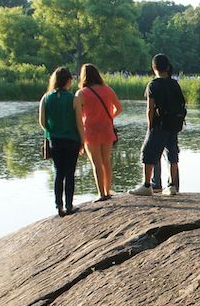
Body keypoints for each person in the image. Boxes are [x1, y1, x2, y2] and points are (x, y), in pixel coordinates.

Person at [130, 54, 186, 196]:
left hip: (159, 124)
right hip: (173, 125)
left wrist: (150, 126)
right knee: (172, 154)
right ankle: (172, 185)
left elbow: (150, 109)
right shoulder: (175, 84)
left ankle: (147, 185)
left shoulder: (153, 85)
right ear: (167, 67)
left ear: (153, 68)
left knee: (148, 153)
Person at [75, 64, 122, 201]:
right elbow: (119, 108)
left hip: (90, 131)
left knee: (96, 164)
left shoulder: (81, 93)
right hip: (106, 129)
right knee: (106, 161)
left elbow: (77, 116)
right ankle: (108, 190)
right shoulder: (108, 90)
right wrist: (109, 118)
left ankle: (101, 193)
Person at [39, 67, 81, 217]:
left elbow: (42, 122)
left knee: (58, 172)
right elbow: (79, 124)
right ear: (68, 80)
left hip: (55, 140)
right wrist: (82, 140)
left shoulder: (46, 98)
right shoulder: (74, 99)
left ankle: (59, 206)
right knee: (70, 173)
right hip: (72, 140)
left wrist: (53, 130)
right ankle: (70, 205)